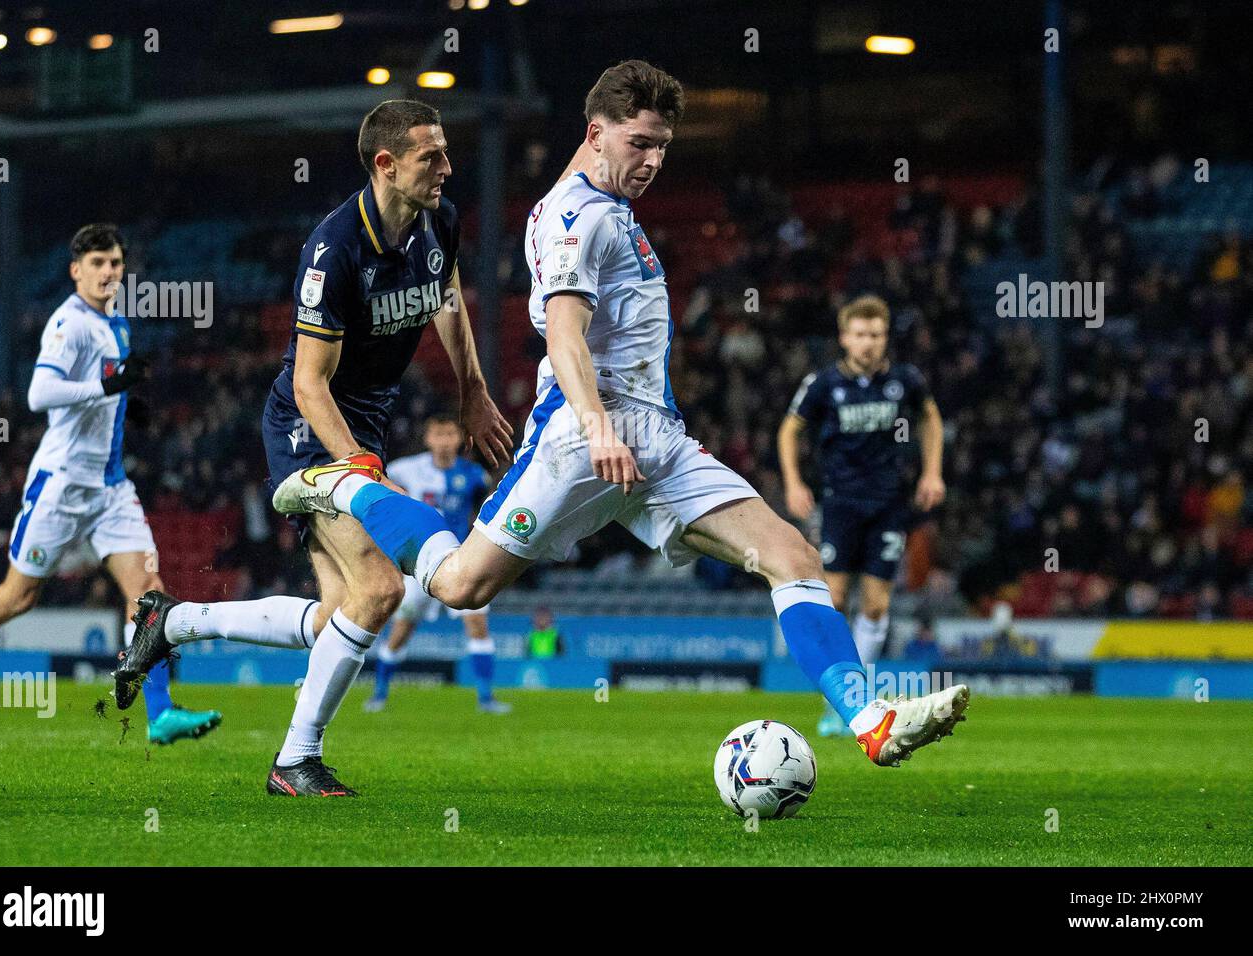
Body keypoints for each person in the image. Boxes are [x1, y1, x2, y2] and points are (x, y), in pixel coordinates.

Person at [273, 61, 969, 774]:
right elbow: (565, 333)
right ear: (595, 134)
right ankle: (342, 487)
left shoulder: (614, 210)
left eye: (663, 146)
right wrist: (597, 424)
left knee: (792, 556)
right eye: (640, 143)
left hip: (657, 442)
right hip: (580, 441)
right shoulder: (572, 218)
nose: (654, 160)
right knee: (456, 587)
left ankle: (870, 720)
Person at [115, 99, 512, 796]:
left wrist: (472, 389)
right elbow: (307, 383)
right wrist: (356, 465)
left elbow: (446, 293)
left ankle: (172, 621)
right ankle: (294, 761)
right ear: (386, 165)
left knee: (341, 615)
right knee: (384, 588)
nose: (449, 168)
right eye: (433, 157)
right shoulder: (334, 251)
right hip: (311, 425)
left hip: (367, 423)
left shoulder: (439, 221)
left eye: (448, 152)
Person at [0, 223, 220, 745]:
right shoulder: (68, 322)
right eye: (97, 263)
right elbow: (39, 393)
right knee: (16, 597)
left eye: (115, 264)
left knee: (148, 595)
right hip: (62, 485)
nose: (108, 272)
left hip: (110, 487)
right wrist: (107, 386)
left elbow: (104, 390)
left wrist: (124, 403)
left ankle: (160, 714)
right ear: (76, 270)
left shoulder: (115, 321)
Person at [777, 294, 946, 736]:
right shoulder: (823, 383)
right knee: (832, 601)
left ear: (885, 336)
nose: (867, 343)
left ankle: (853, 701)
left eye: (875, 334)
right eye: (859, 334)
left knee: (875, 605)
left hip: (888, 505)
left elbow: (929, 417)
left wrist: (932, 472)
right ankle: (841, 694)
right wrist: (794, 483)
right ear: (844, 337)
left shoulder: (905, 380)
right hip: (839, 505)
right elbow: (789, 429)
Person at [364, 412, 509, 714]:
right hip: (420, 564)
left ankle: (486, 698)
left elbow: (482, 512)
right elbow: (376, 485)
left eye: (449, 434)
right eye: (437, 434)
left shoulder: (474, 476)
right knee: (401, 630)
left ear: (459, 438)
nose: (443, 441)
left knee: (478, 625)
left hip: (464, 561)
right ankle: (379, 693)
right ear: (427, 438)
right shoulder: (405, 470)